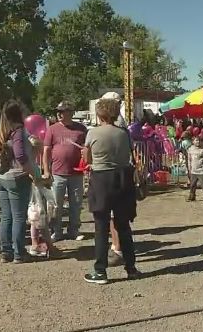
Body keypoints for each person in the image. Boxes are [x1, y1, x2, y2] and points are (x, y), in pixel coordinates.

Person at [82, 98, 140, 284]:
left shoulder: (93, 133)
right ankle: (131, 268)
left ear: (99, 114)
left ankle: (100, 271)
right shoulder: (124, 133)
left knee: (101, 227)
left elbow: (87, 158)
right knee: (123, 225)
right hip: (123, 178)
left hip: (101, 179)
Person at [0, 100, 39, 263]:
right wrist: (32, 172)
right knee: (19, 217)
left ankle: (6, 251)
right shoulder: (18, 131)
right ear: (18, 114)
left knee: (6, 216)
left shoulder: (1, 130)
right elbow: (20, 155)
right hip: (17, 177)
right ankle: (19, 253)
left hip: (0, 176)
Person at [42, 101, 87, 242]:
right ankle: (56, 230)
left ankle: (74, 230)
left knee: (76, 203)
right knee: (56, 204)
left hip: (76, 173)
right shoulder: (52, 129)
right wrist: (46, 170)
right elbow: (46, 150)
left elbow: (88, 148)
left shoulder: (81, 129)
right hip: (57, 173)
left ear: (71, 113)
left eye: (63, 111)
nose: (59, 114)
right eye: (58, 111)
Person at [186, 136, 203, 202]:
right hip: (193, 171)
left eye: (199, 140)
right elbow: (189, 159)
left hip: (201, 171)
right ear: (193, 141)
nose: (198, 142)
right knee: (192, 185)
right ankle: (192, 196)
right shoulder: (190, 149)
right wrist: (189, 167)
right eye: (196, 140)